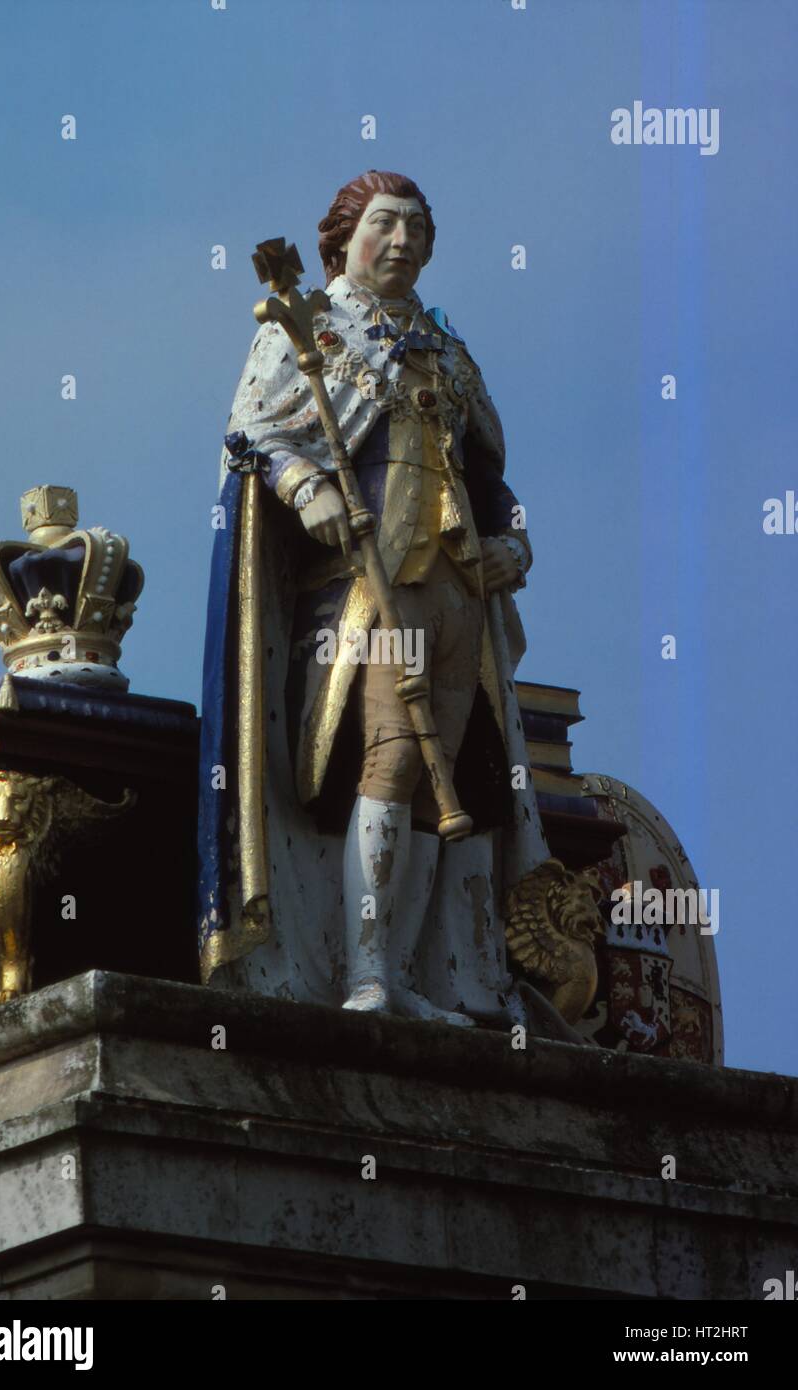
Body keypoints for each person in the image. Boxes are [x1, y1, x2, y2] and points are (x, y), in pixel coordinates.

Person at [198, 170, 549, 1026]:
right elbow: (253, 435)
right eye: (386, 225)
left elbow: (487, 470)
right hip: (370, 584)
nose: (404, 242)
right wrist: (303, 484)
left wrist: (515, 540)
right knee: (393, 753)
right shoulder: (308, 328)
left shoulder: (447, 349)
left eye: (418, 229)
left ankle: (414, 973)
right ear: (343, 239)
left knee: (446, 779)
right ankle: (365, 971)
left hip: (457, 585)